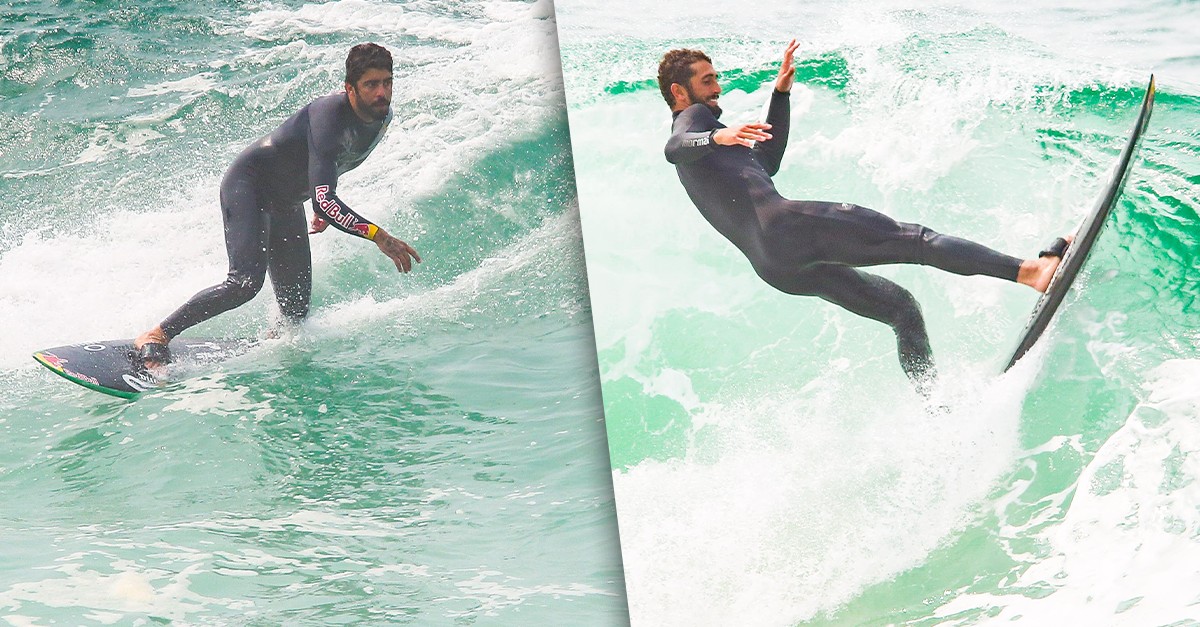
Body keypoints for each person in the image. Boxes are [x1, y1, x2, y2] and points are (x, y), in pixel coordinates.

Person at [658, 42, 1069, 393]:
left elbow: (767, 160)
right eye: (707, 80)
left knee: (901, 310)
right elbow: (675, 146)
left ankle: (937, 408)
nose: (718, 87)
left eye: (716, 78)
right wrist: (715, 135)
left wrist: (780, 96)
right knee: (916, 241)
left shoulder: (714, 151)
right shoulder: (695, 125)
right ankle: (1030, 272)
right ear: (680, 91)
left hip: (775, 266)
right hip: (788, 229)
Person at [134, 42, 420, 369]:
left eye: (387, 82)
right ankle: (157, 335)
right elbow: (327, 169)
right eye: (371, 85)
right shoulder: (328, 118)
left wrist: (322, 196)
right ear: (349, 89)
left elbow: (336, 162)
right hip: (250, 185)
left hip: (287, 201)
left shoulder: (381, 118)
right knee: (244, 284)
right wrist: (375, 233)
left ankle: (272, 355)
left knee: (296, 311)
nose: (382, 92)